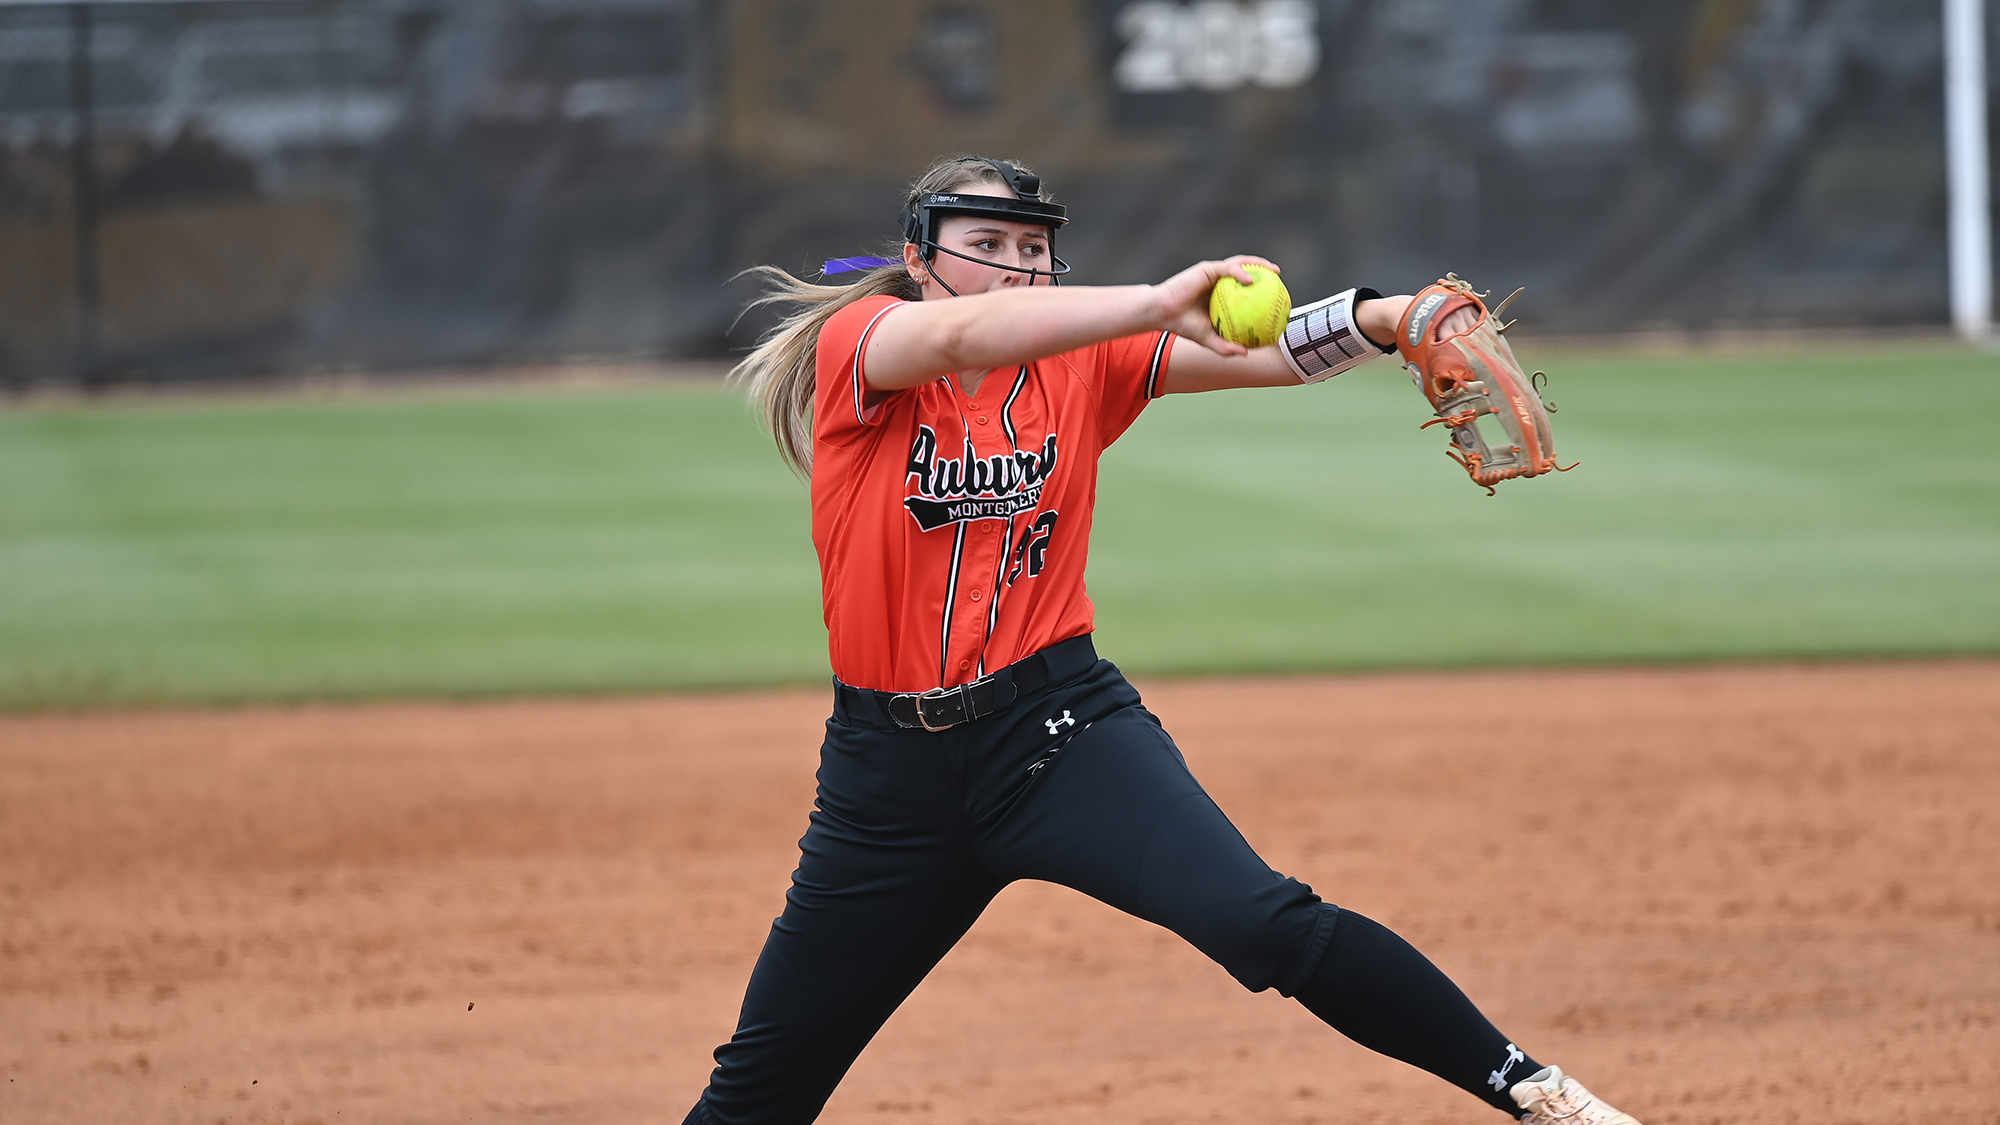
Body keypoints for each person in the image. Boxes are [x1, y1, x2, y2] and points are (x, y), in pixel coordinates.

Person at [687, 154, 1644, 1125]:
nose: (1013, 267)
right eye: (984, 246)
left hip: (1055, 735)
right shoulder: (864, 343)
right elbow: (964, 332)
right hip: (884, 784)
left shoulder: (1078, 362)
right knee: (761, 1090)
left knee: (1263, 924)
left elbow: (1264, 353)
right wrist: (1153, 299)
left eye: (1031, 248)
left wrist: (1381, 318)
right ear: (918, 257)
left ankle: (1538, 1094)